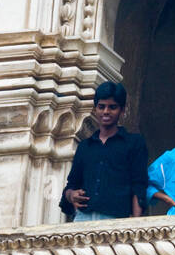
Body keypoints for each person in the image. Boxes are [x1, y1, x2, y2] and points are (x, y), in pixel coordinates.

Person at [61, 82, 149, 222]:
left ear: (122, 110)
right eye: (101, 107)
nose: (106, 111)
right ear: (95, 109)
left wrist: (135, 225)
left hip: (116, 219)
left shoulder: (134, 143)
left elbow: (139, 186)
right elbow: (71, 185)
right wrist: (71, 195)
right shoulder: (85, 146)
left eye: (112, 107)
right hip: (82, 219)